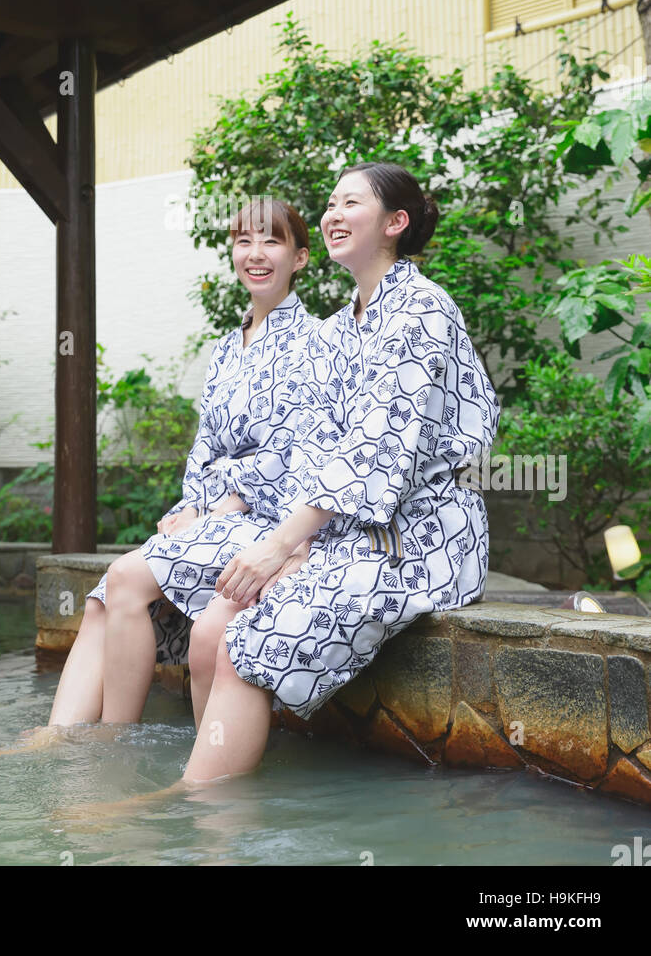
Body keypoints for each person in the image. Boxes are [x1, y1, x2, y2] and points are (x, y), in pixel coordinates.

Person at [0, 197, 317, 755]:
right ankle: (57, 735)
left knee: (124, 578)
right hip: (214, 516)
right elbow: (206, 446)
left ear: (300, 258)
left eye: (271, 242)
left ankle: (112, 745)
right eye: (244, 241)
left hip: (268, 524)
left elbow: (298, 449)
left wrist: (226, 501)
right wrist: (192, 505)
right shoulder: (226, 348)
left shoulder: (315, 343)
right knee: (102, 598)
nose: (255, 254)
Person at [172, 160, 500, 784]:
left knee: (248, 647)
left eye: (350, 203)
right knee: (217, 625)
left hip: (422, 540)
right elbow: (316, 454)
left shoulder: (420, 310)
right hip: (347, 534)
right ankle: (209, 785)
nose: (331, 215)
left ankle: (198, 805)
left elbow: (373, 454)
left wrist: (279, 547)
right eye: (330, 203)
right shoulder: (342, 328)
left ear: (395, 223)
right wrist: (300, 544)